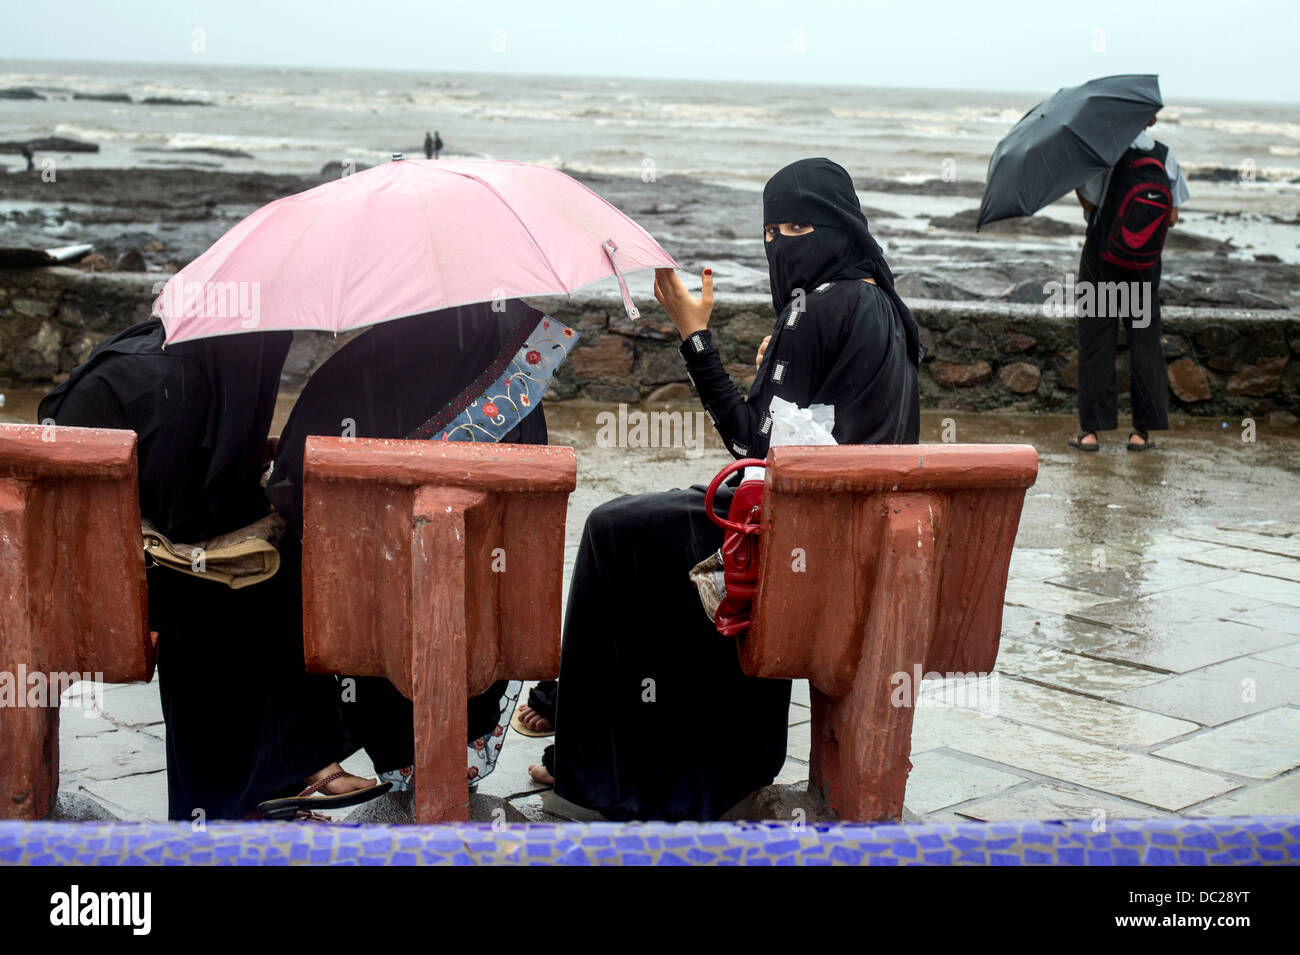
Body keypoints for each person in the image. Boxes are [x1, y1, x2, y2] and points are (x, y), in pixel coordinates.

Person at [528, 157, 922, 821]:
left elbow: (751, 446)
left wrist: (694, 335)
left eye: (799, 227)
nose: (782, 246)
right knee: (655, 527)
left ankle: (567, 727)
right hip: (844, 538)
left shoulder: (816, 309)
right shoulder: (885, 309)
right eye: (772, 233)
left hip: (795, 540)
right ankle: (665, 756)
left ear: (841, 227)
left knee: (611, 530)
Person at [38, 320, 388, 821]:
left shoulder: (189, 362)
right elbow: (186, 516)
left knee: (281, 573)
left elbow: (196, 491)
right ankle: (227, 803)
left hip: (126, 540)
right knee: (225, 596)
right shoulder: (169, 387)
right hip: (91, 564)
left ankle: (285, 773)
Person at [267, 298, 574, 793]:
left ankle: (334, 753)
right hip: (487, 641)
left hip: (371, 648)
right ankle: (459, 752)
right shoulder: (513, 382)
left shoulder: (345, 378)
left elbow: (291, 495)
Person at [1069, 115, 1189, 453]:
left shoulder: (1104, 153)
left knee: (1096, 340)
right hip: (1145, 263)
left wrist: (1080, 187)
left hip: (1103, 258)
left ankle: (1091, 432)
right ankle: (1141, 433)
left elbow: (1092, 205)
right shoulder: (1165, 155)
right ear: (1150, 119)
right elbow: (1173, 216)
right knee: (1145, 342)